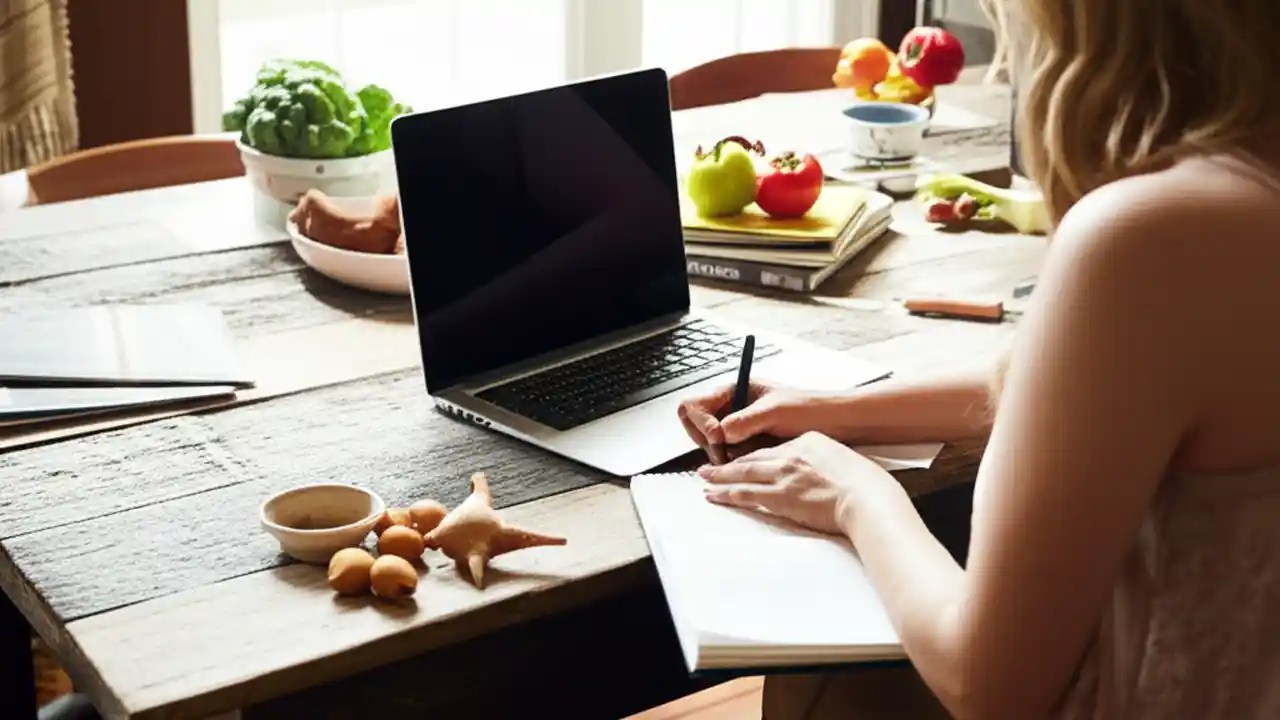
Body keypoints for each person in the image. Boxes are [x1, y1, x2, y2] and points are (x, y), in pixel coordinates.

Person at [677, 1, 1280, 717]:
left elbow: (985, 684)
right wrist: (834, 410)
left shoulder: (1152, 239)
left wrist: (852, 493)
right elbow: (1091, 392)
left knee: (830, 672)